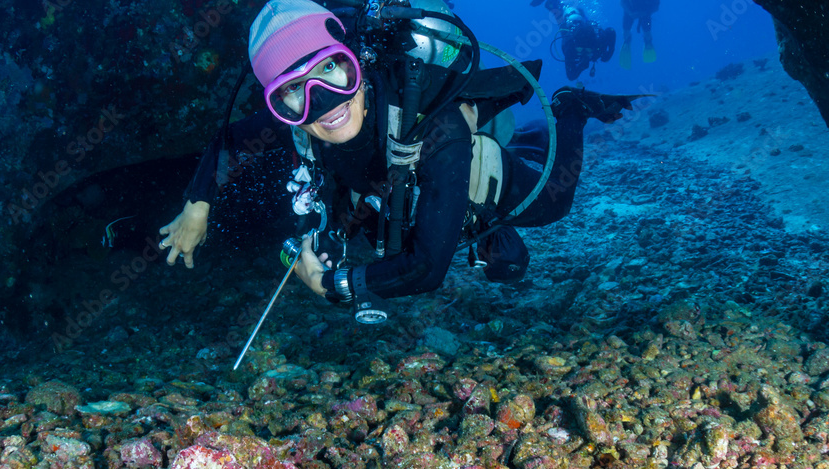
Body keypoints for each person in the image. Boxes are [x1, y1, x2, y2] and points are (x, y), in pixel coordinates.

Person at [160, 0, 641, 318]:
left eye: (332, 68)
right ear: (277, 103)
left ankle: (569, 109)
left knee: (552, 204)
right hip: (388, 189)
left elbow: (427, 270)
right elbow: (229, 138)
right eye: (292, 91)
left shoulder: (431, 120)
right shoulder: (290, 120)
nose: (323, 102)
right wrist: (197, 204)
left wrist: (334, 285)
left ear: (356, 58)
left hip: (458, 168)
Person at [531, 0, 616, 80]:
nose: (584, 52)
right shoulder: (570, 45)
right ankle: (562, 7)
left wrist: (610, 51)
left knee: (562, 15)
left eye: (587, 49)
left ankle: (568, 9)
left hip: (579, 22)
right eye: (581, 49)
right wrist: (582, 66)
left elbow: (611, 31)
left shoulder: (599, 39)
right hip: (571, 25)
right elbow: (570, 76)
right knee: (559, 13)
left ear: (594, 45)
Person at [619, 0, 659, 68]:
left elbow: (656, 7)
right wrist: (630, 13)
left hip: (645, 12)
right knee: (626, 32)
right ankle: (627, 40)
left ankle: (648, 42)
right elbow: (622, 3)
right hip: (630, 11)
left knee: (647, 33)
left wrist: (645, 13)